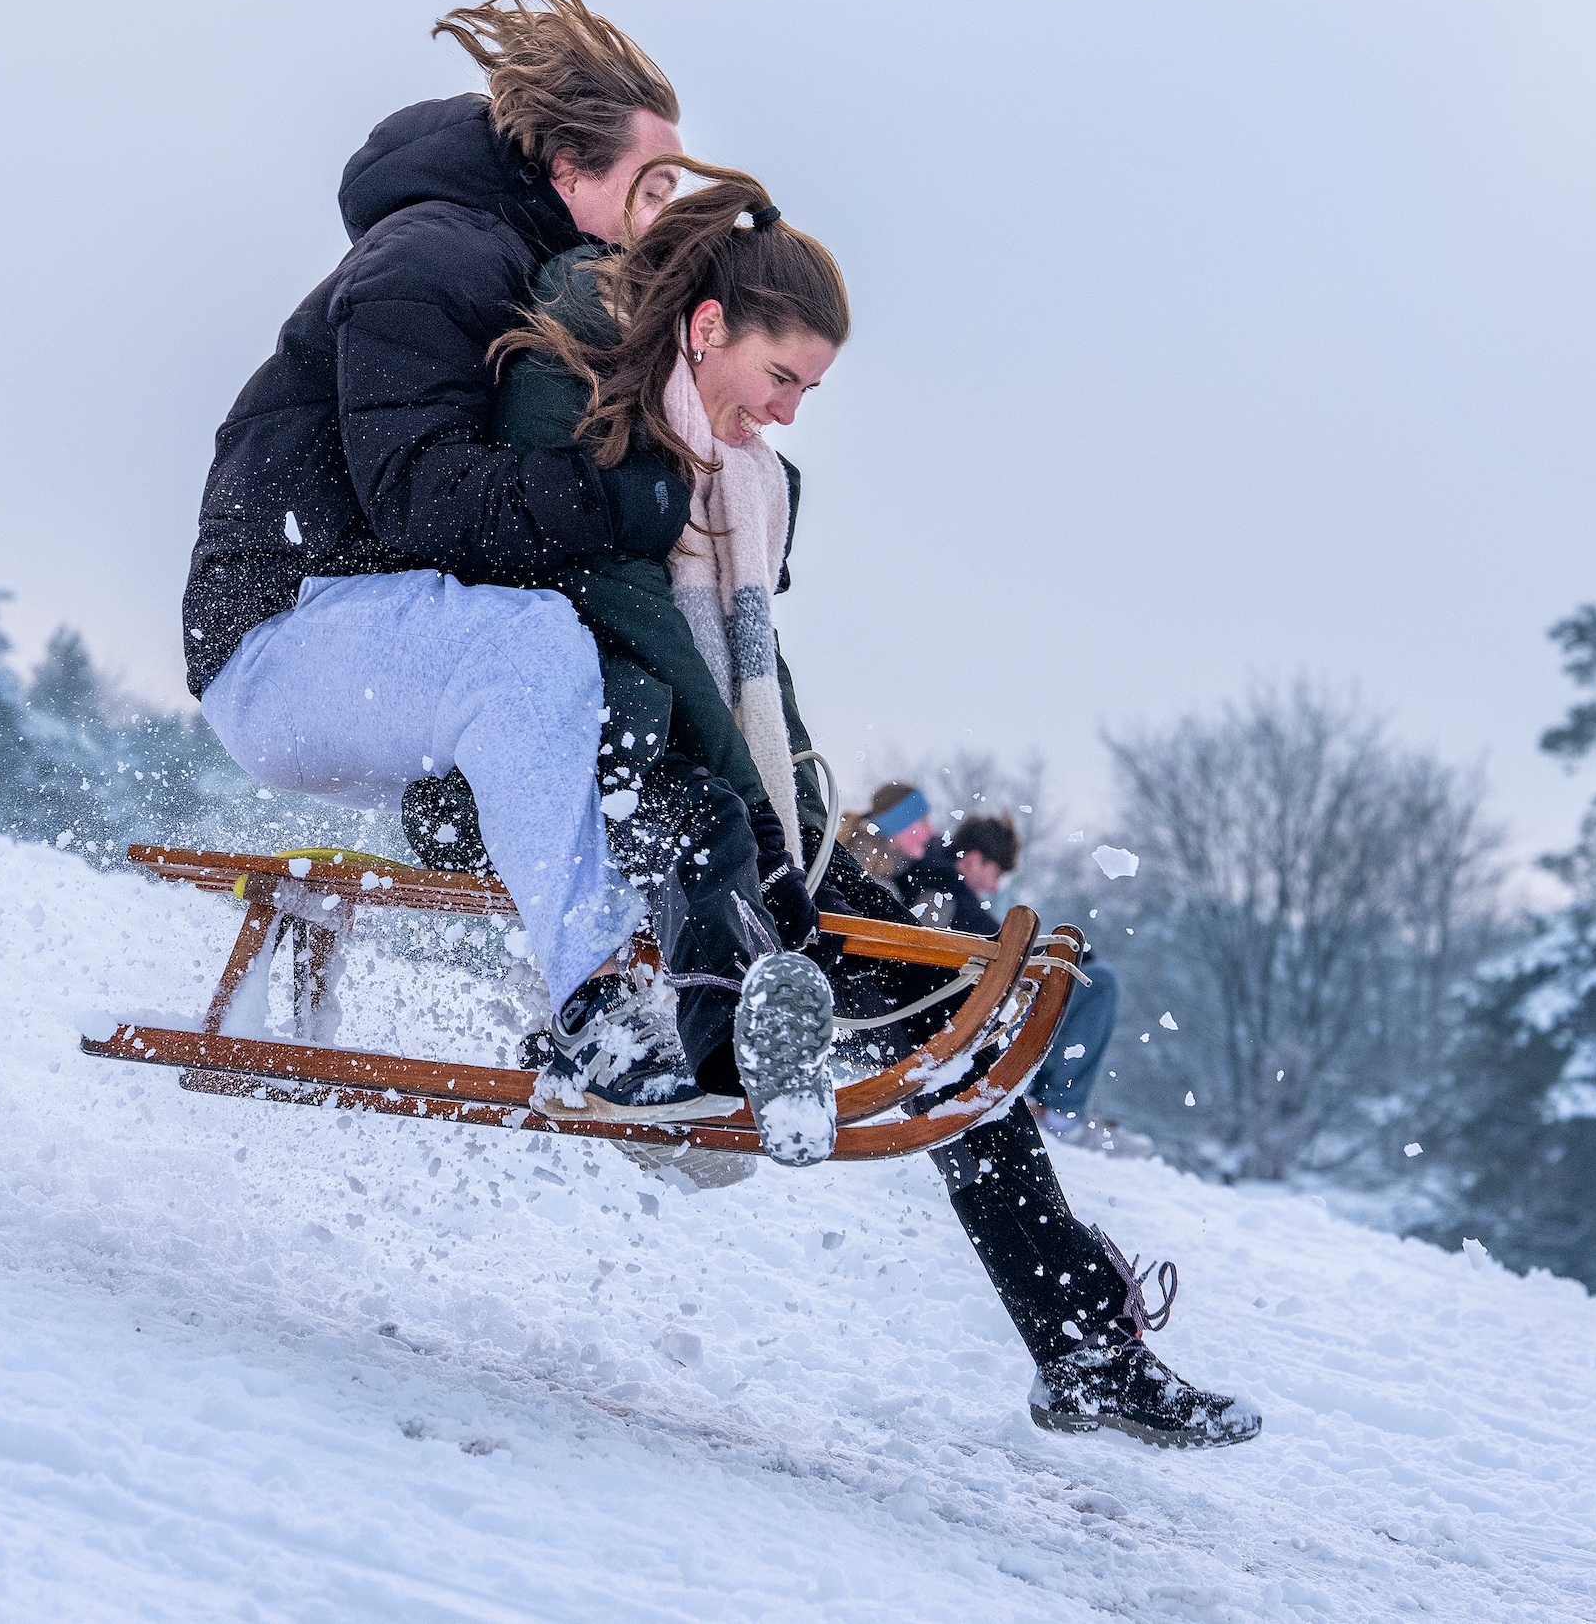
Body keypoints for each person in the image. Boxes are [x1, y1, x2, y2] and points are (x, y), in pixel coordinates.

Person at [481, 169, 1259, 1447]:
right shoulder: (576, 406)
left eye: (808, 395)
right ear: (708, 326)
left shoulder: (743, 479)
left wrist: (806, 810)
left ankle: (1081, 1351)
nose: (787, 414)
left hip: (724, 791)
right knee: (720, 837)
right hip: (596, 770)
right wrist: (755, 799)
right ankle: (721, 1051)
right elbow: (621, 626)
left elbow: (749, 674)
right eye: (779, 380)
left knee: (953, 1005)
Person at [181, 0, 826, 1166]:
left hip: (401, 648)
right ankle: (594, 1016)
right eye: (648, 183)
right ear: (567, 165)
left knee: (610, 723)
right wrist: (612, 500)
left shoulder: (540, 269)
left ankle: (717, 1026)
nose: (660, 211)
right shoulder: (429, 259)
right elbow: (416, 494)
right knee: (535, 647)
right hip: (284, 634)